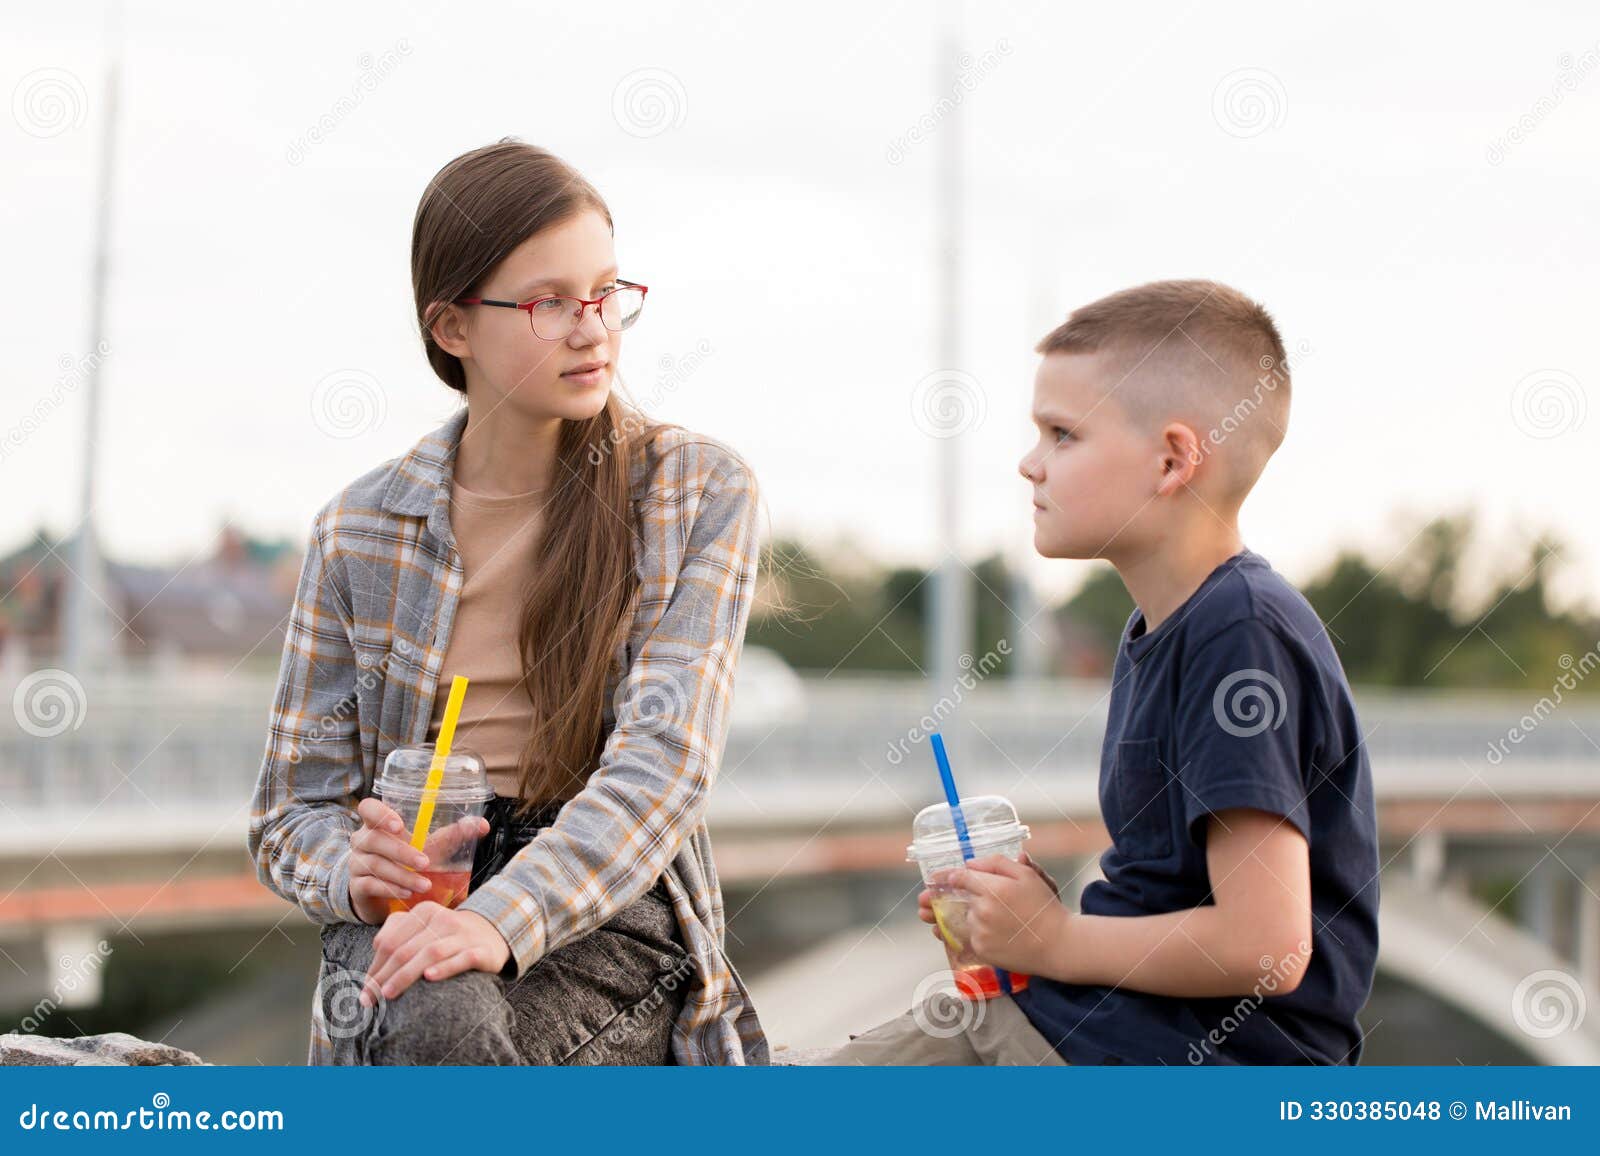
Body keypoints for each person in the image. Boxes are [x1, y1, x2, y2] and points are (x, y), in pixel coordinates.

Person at [247, 139, 768, 1066]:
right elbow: (292, 811)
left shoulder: (693, 491)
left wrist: (498, 918)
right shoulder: (360, 529)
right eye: (549, 303)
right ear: (452, 329)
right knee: (428, 1005)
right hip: (420, 879)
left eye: (608, 294)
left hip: (603, 901)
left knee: (439, 1017)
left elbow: (665, 765)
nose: (592, 329)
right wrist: (351, 871)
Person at [831, 280, 1379, 1065]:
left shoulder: (1240, 633)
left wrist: (1053, 940)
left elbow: (1269, 949)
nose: (1029, 465)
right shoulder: (1166, 626)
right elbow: (1166, 893)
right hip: (1108, 1037)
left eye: (1062, 434)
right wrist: (1016, 930)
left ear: (1172, 458)